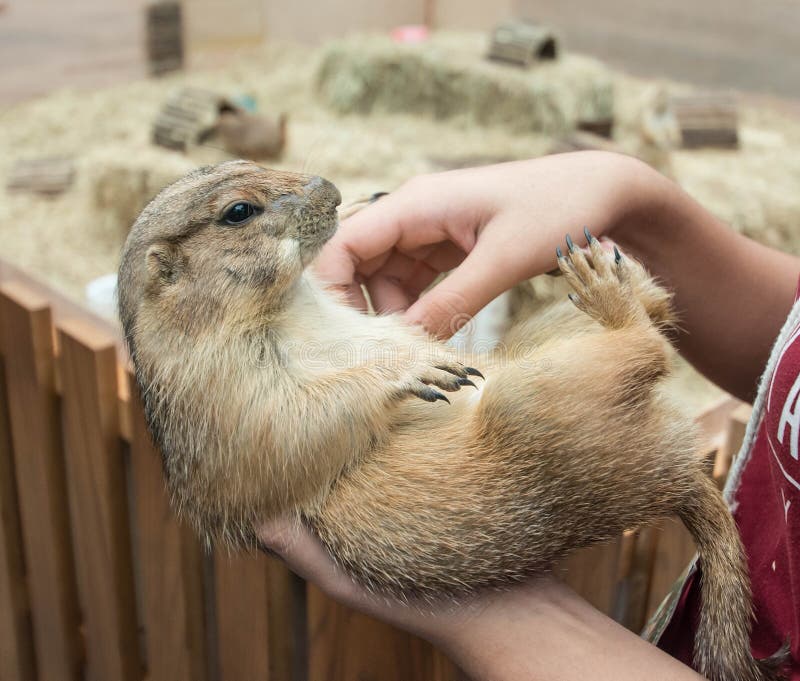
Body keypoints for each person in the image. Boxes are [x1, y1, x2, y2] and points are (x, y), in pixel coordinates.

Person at [258, 151, 800, 680]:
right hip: (492, 448)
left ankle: (631, 335)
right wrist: (624, 193)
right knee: (524, 359)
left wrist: (499, 616)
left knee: (521, 395)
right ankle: (631, 328)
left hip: (488, 484)